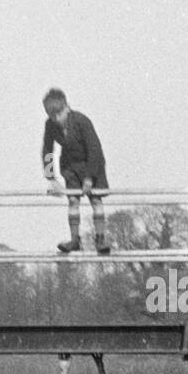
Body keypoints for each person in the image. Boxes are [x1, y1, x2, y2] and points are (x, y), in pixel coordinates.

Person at [41, 88, 110, 256]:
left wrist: (89, 178)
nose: (56, 118)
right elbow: (48, 150)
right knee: (72, 200)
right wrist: (51, 178)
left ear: (66, 107)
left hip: (92, 164)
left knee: (96, 201)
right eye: (51, 115)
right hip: (70, 166)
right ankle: (74, 240)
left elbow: (95, 150)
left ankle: (100, 239)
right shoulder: (50, 125)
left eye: (58, 113)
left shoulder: (82, 121)